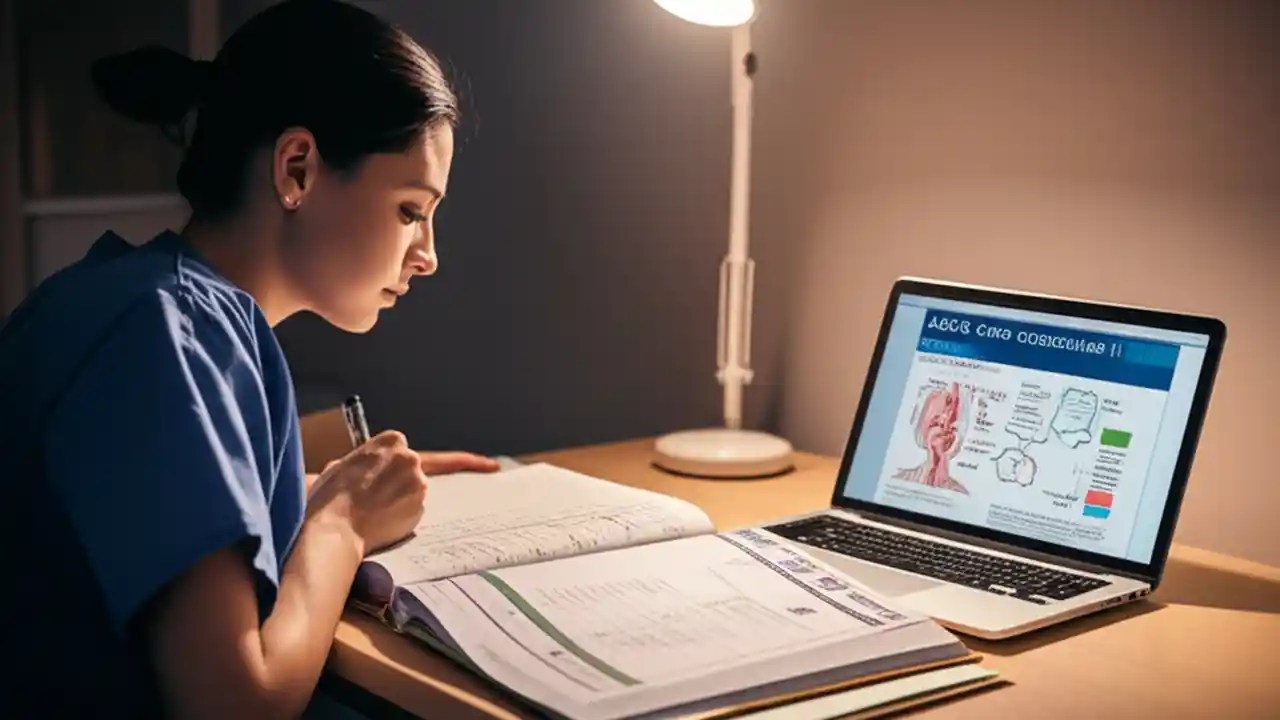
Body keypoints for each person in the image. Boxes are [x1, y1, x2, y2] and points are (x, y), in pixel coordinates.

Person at [0, 1, 501, 716]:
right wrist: (342, 524)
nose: (428, 256)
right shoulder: (165, 336)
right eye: (409, 210)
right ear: (297, 167)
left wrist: (320, 489)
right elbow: (236, 704)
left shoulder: (133, 299)